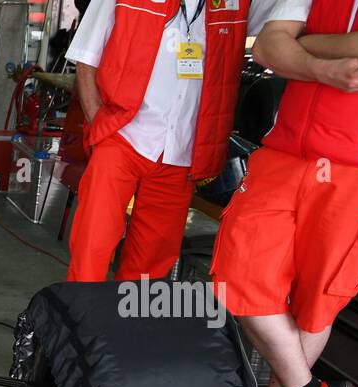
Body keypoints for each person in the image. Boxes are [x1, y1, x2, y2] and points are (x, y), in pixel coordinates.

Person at [211, 0, 358, 387]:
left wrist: (303, 48)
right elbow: (266, 46)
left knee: (316, 298)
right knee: (238, 279)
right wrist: (324, 70)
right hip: (283, 154)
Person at [65, 0, 303, 281]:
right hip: (121, 137)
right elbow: (86, 59)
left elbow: (287, 13)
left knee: (151, 263)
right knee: (92, 243)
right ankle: (81, 319)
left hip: (183, 151)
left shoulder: (238, 4)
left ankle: (129, 322)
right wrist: (100, 127)